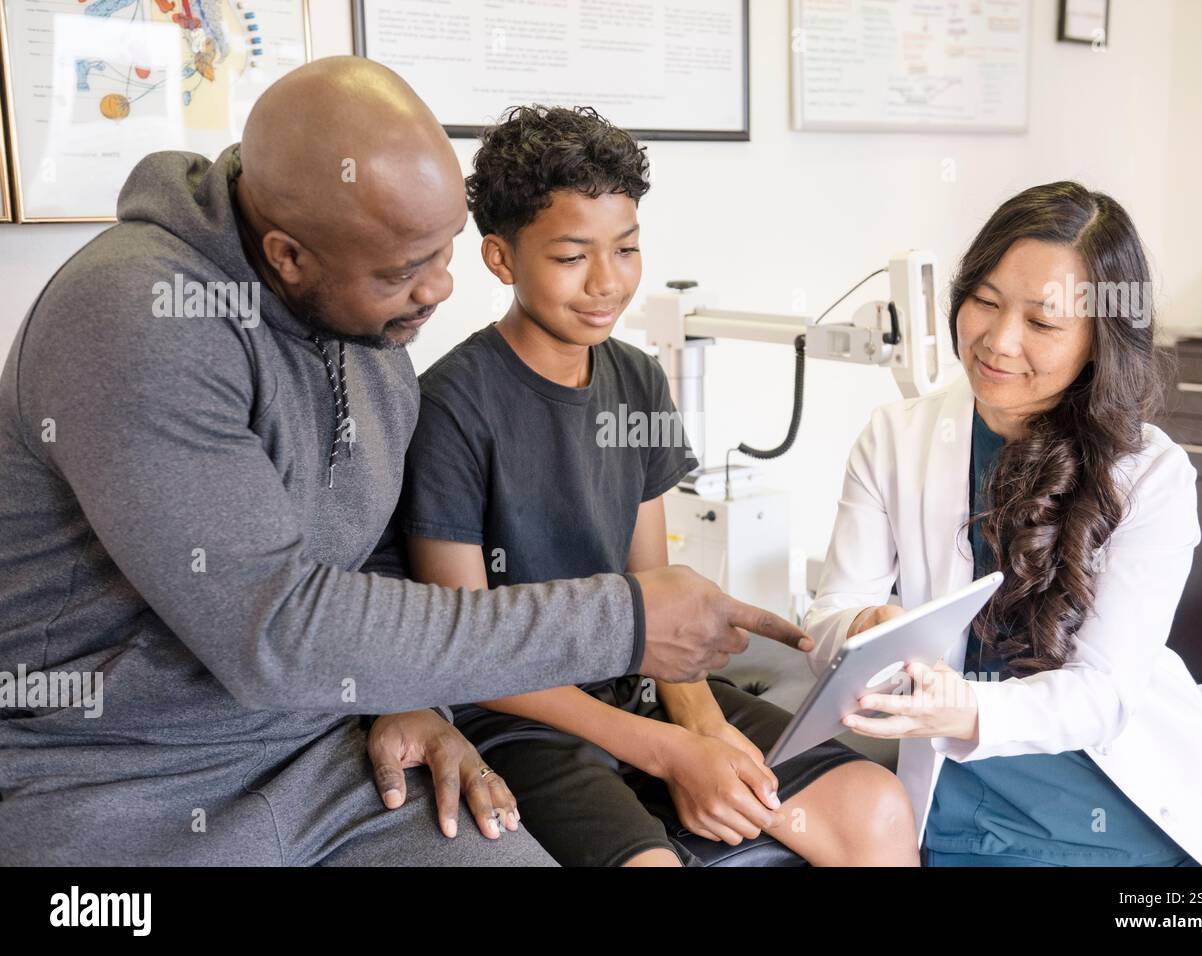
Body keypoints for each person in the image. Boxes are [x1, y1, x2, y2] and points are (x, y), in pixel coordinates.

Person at [0, 57, 809, 866]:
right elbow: (276, 630)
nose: (440, 290)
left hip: (331, 752)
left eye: (444, 250)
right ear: (287, 256)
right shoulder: (135, 317)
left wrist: (414, 701)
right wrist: (622, 621)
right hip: (111, 778)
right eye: (403, 272)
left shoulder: (375, 332)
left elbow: (374, 552)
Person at [387, 105, 919, 867]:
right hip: (520, 720)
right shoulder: (451, 407)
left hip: (636, 687)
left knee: (874, 807)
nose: (608, 283)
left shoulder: (636, 380)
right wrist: (668, 754)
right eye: (572, 256)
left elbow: (653, 588)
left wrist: (700, 722)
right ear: (500, 259)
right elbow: (472, 652)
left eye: (627, 249)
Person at [805, 181, 1202, 866]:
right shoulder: (895, 437)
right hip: (966, 791)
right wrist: (863, 629)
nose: (999, 342)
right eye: (985, 301)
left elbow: (1102, 694)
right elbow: (832, 611)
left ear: (1099, 341)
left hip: (1114, 780)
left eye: (1041, 323)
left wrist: (969, 710)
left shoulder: (1151, 474)